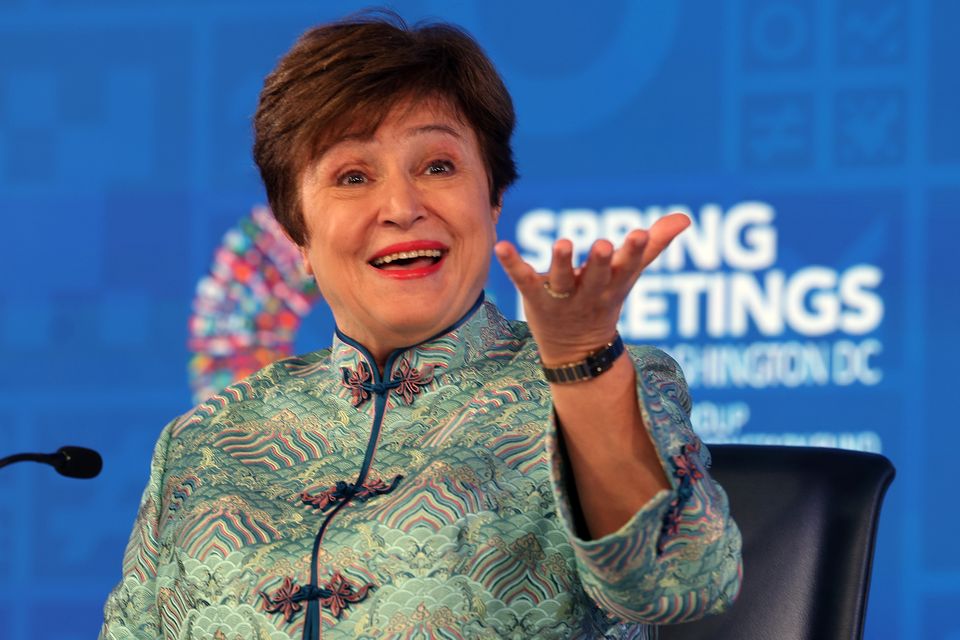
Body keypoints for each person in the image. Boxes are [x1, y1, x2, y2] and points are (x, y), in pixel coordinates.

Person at [101, 12, 741, 640]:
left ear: (492, 200)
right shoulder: (202, 443)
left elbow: (681, 583)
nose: (403, 208)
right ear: (296, 232)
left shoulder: (602, 386)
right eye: (353, 176)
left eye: (438, 166)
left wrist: (581, 367)